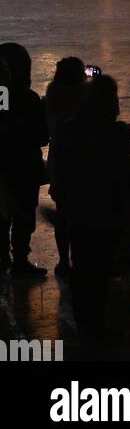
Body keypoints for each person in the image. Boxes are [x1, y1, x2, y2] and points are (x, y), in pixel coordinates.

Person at [53, 74, 130, 340]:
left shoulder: (69, 131)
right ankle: (95, 323)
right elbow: (127, 174)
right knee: (99, 271)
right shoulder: (117, 136)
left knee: (82, 267)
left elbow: (60, 171)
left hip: (78, 211)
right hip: (106, 213)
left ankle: (84, 322)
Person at [0, 43, 49, 278]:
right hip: (25, 167)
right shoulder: (29, 99)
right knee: (23, 215)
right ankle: (20, 259)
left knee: (3, 215)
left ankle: (3, 257)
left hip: (6, 167)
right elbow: (41, 135)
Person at [44, 57, 87, 276]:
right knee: (84, 212)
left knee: (62, 213)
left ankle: (63, 260)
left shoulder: (50, 97)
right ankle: (81, 258)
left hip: (59, 159)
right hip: (84, 160)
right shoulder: (86, 97)